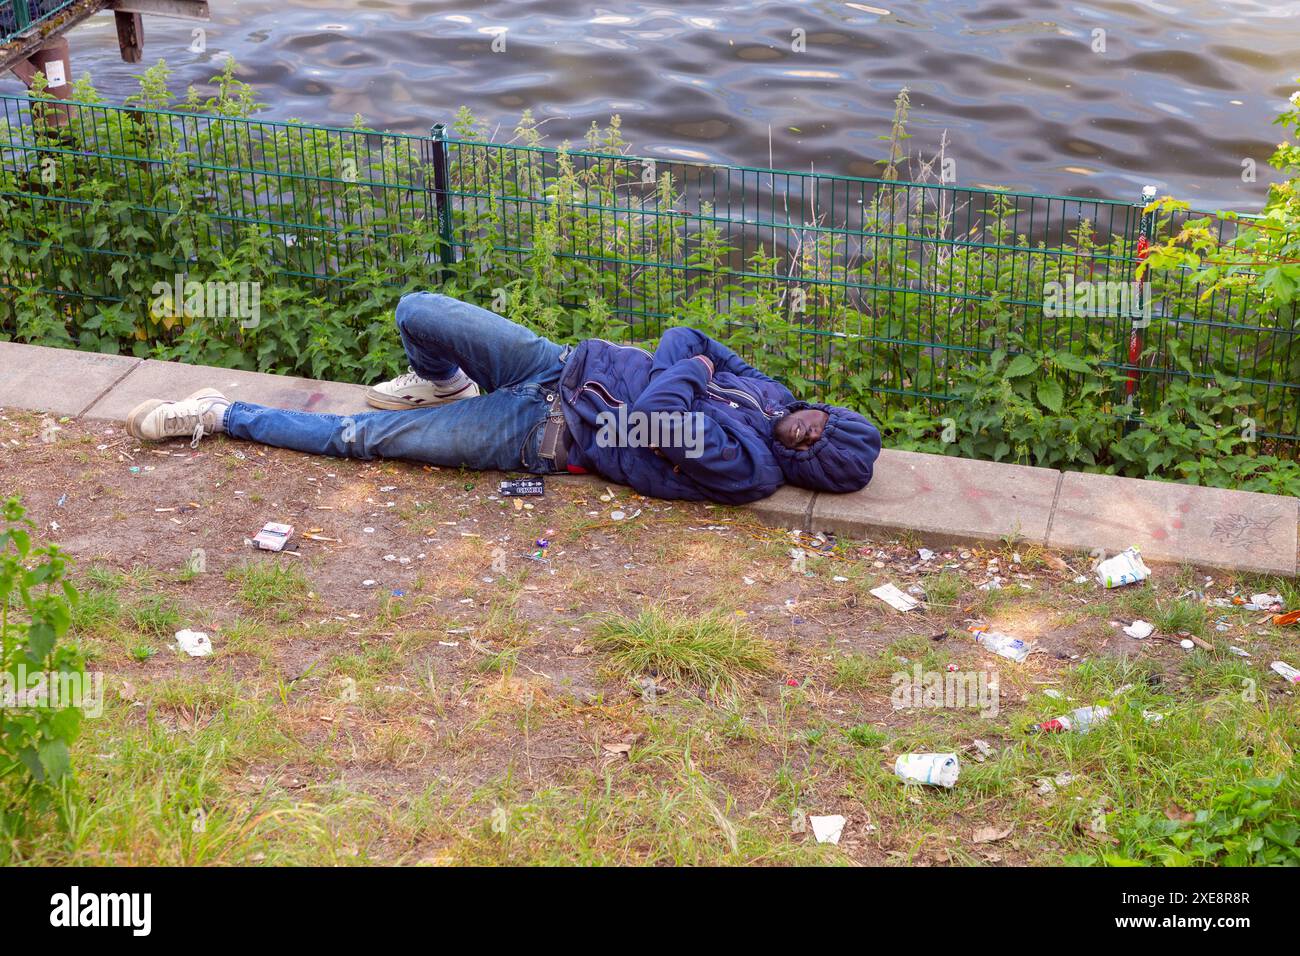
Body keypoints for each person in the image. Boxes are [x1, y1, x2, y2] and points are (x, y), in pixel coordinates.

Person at [125, 292, 882, 504]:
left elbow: (658, 407)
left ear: (807, 465)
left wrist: (673, 373)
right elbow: (690, 334)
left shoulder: (749, 467)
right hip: (558, 363)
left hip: (542, 429)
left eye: (816, 444)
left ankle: (224, 415)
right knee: (417, 310)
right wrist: (680, 370)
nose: (809, 426)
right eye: (826, 420)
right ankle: (440, 384)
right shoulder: (775, 395)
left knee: (362, 440)